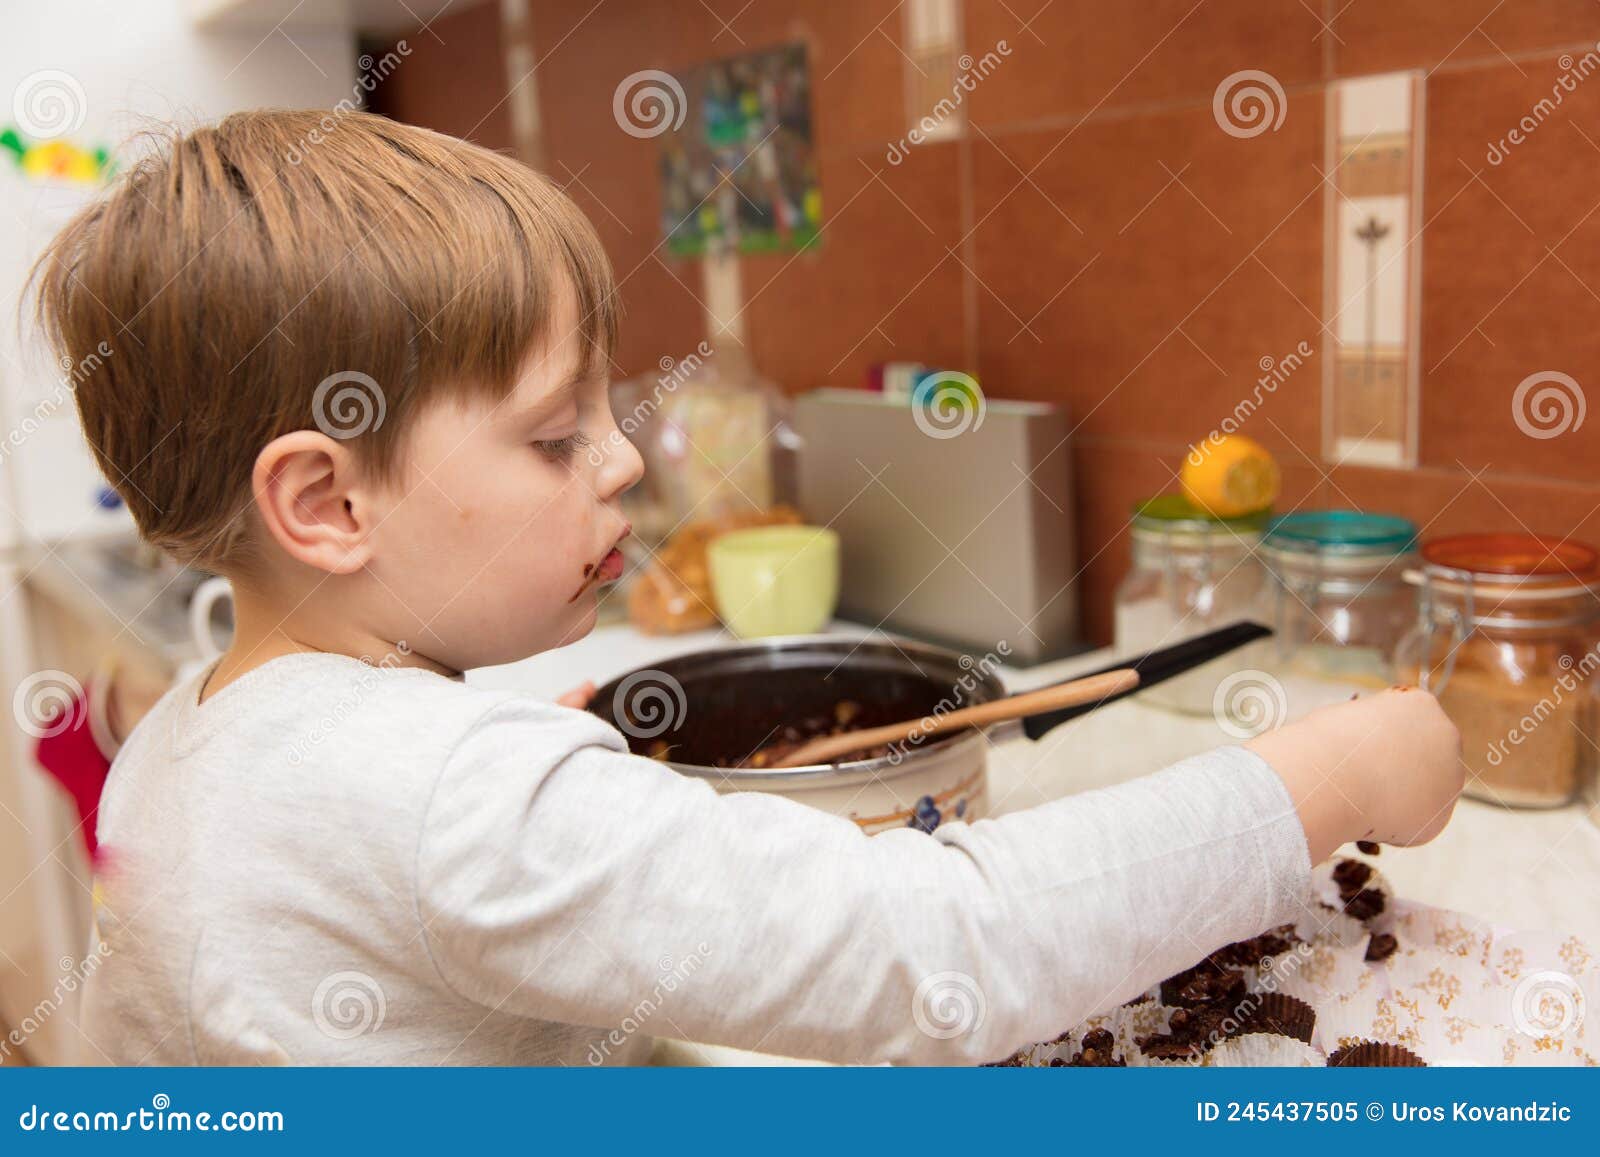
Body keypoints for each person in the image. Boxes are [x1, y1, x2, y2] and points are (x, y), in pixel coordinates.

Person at [30, 110, 1463, 1066]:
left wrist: (565, 791)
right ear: (328, 502)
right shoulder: (449, 792)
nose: (621, 468)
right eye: (552, 435)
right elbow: (943, 946)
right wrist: (1322, 772)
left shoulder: (187, 742)